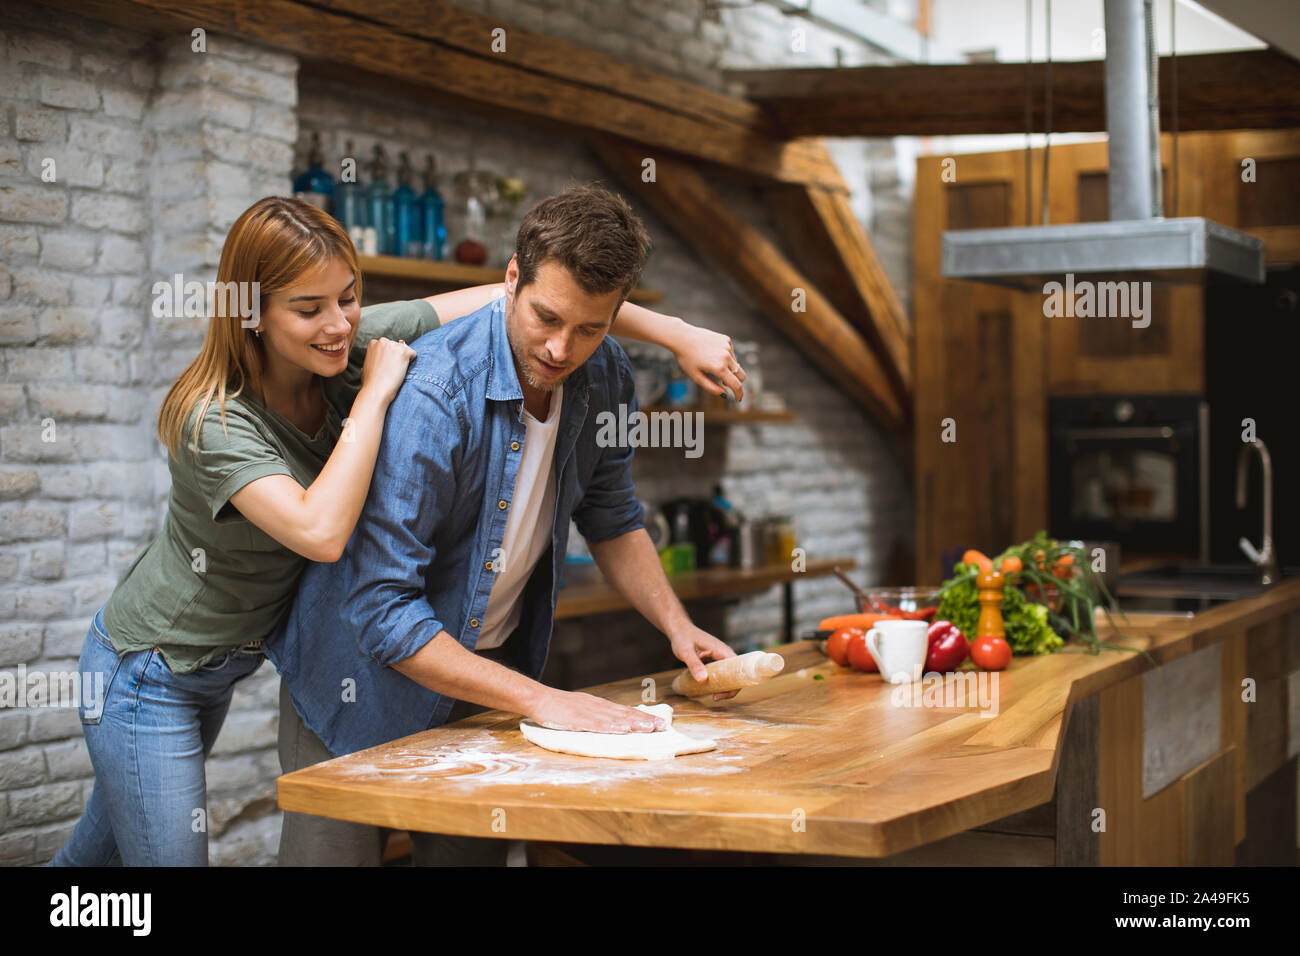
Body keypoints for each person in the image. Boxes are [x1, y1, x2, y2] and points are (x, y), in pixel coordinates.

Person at [51, 193, 744, 867]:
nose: (336, 323)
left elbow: (486, 302)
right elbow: (325, 538)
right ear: (253, 314)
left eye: (347, 299)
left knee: (96, 852)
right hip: (153, 667)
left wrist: (676, 331)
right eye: (310, 308)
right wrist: (378, 396)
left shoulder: (344, 341)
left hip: (233, 659)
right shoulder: (220, 421)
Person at [272, 184, 740, 866]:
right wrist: (545, 700)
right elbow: (382, 610)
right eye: (546, 317)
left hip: (477, 677)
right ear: (511, 279)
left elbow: (611, 516)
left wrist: (676, 625)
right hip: (353, 682)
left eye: (590, 327)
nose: (560, 348)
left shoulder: (605, 375)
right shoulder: (437, 394)